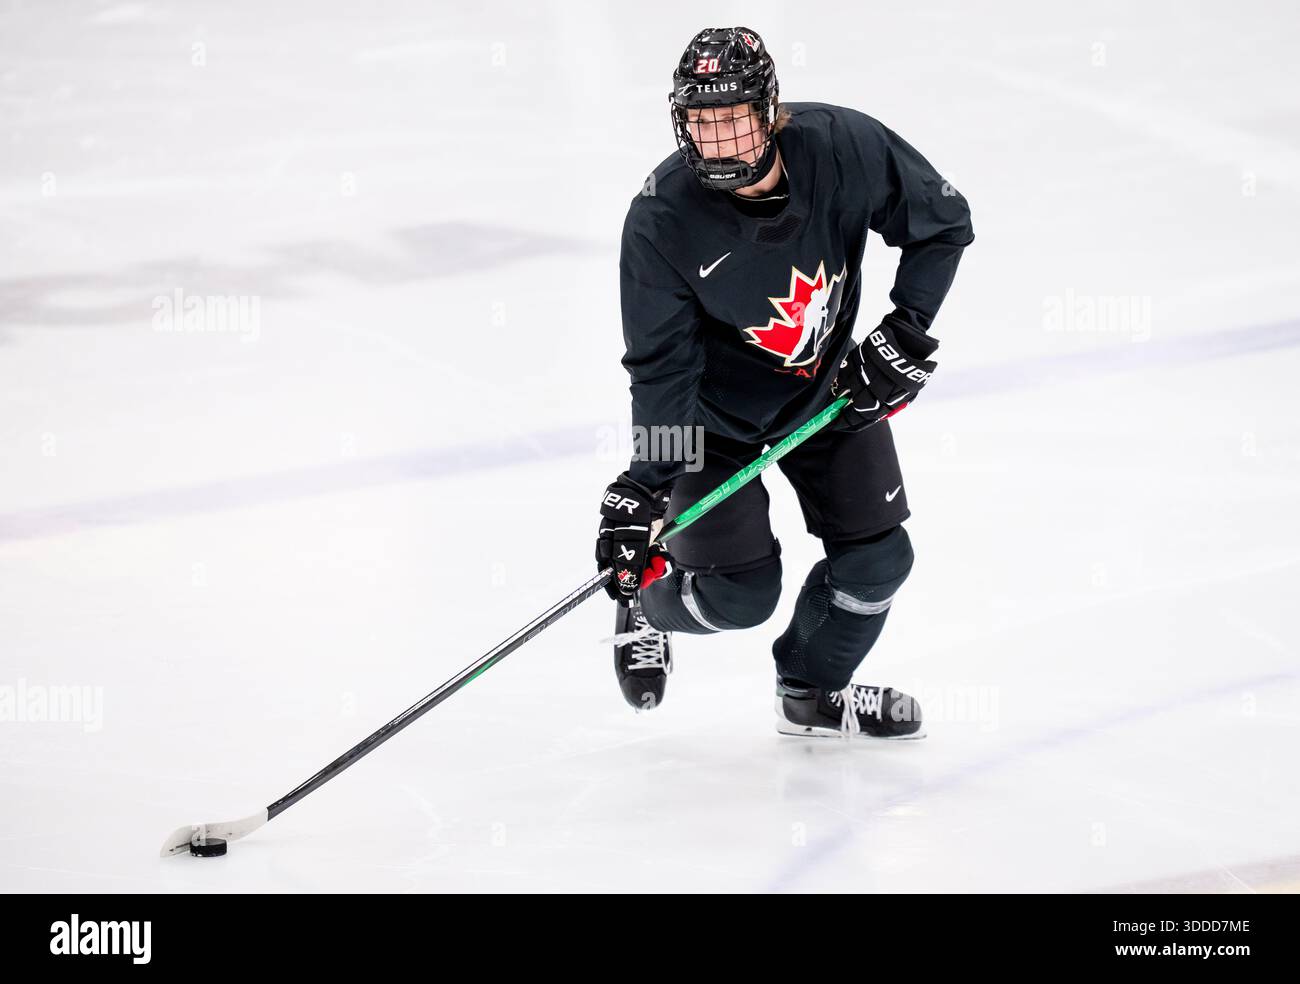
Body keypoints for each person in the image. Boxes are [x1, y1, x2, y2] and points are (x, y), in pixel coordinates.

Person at [595, 26, 973, 739]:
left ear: (769, 113)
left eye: (733, 119)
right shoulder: (661, 219)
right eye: (701, 124)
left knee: (878, 560)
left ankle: (810, 692)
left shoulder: (844, 147)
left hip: (827, 397)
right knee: (739, 596)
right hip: (714, 428)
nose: (719, 142)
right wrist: (646, 485)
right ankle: (648, 601)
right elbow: (661, 367)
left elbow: (942, 222)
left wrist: (906, 333)